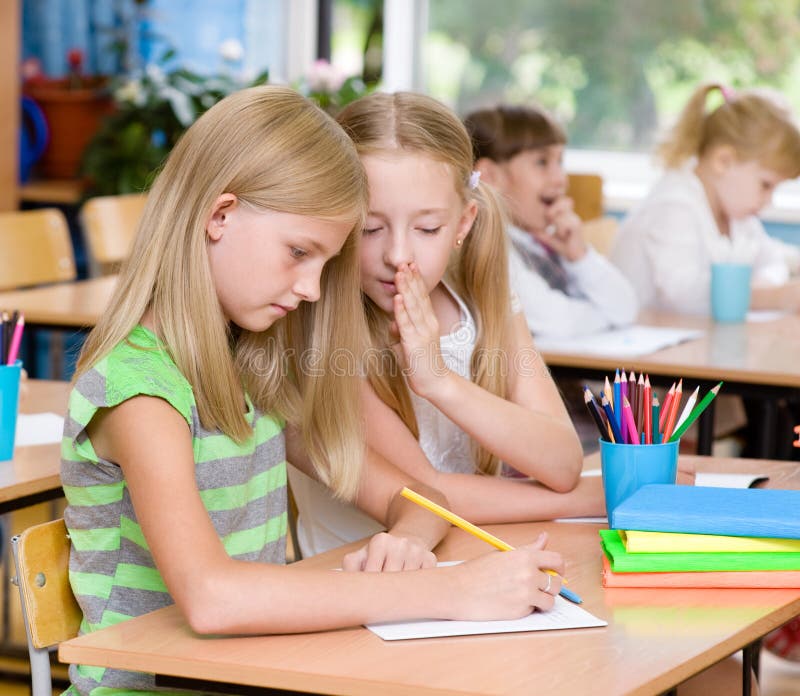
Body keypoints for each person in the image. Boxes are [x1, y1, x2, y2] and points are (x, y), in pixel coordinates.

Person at [60, 86, 567, 696]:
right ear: (219, 216)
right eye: (299, 253)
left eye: (323, 265)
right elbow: (212, 599)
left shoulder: (252, 373)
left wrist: (404, 541)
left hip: (258, 678)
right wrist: (449, 590)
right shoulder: (140, 391)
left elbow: (421, 497)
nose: (312, 290)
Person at [288, 91, 605, 560]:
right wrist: (588, 499)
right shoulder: (325, 330)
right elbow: (427, 494)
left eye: (427, 229)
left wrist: (440, 382)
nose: (398, 255)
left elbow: (561, 462)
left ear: (462, 223)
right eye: (369, 229)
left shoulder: (485, 301)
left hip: (477, 562)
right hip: (363, 588)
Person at [611, 82, 800, 313]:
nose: (768, 201)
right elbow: (685, 297)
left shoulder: (735, 214)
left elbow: (772, 261)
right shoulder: (673, 205)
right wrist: (772, 297)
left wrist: (763, 287)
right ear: (724, 161)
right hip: (639, 340)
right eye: (766, 185)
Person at [463, 103, 638, 338]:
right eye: (542, 163)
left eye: (560, 162)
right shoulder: (486, 245)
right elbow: (556, 321)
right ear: (490, 176)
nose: (560, 179)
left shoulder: (542, 241)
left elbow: (625, 308)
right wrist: (603, 315)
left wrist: (579, 256)